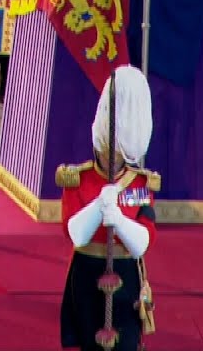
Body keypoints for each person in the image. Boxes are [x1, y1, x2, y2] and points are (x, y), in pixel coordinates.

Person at [55, 65, 158, 351]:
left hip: (126, 274)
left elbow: (142, 244)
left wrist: (120, 222)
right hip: (86, 274)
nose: (112, 158)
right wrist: (100, 206)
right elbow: (75, 234)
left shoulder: (140, 182)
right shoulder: (78, 178)